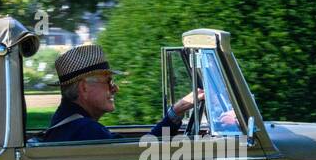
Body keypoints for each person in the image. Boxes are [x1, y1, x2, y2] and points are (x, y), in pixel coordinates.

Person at [42, 44, 200, 142]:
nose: (115, 88)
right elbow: (142, 154)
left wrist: (176, 111)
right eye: (108, 81)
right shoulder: (85, 130)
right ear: (84, 88)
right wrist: (175, 112)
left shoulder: (67, 123)